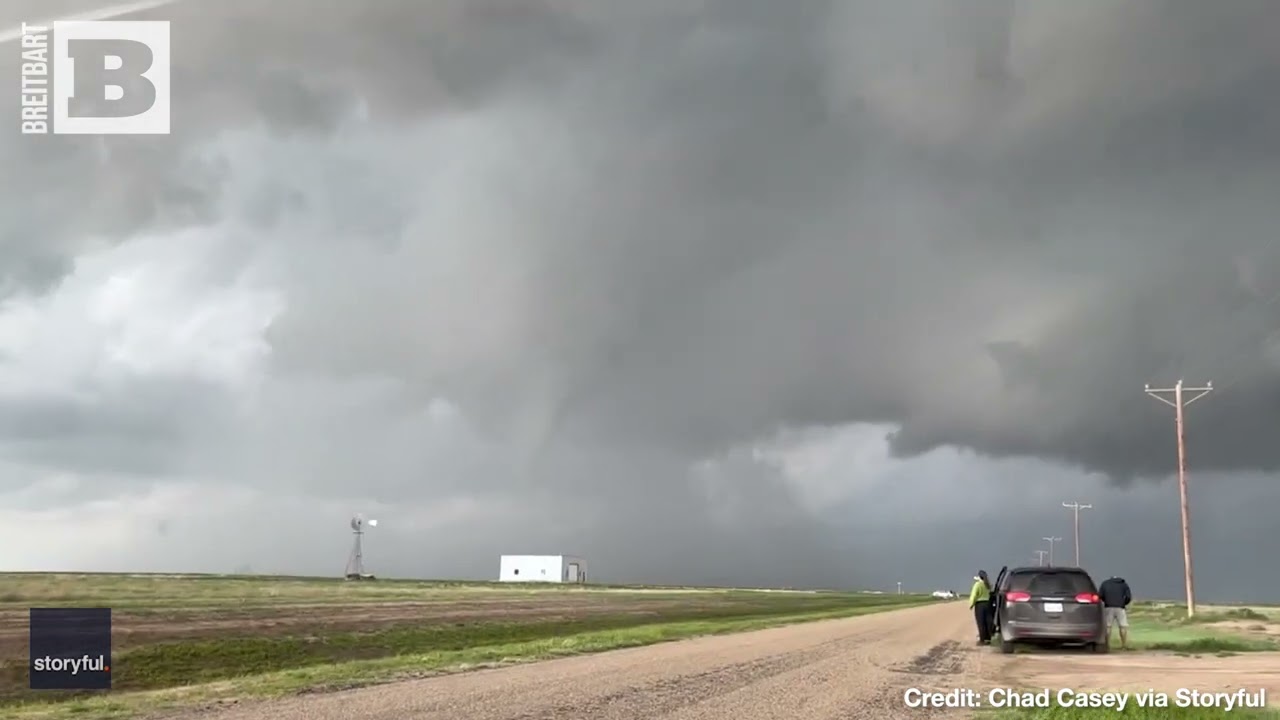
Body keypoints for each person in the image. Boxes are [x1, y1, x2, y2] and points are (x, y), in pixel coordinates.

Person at [1098, 575, 1132, 650]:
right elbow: (1128, 597)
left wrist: (1106, 601)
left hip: (1108, 607)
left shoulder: (1105, 583)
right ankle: (1123, 645)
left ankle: (1107, 645)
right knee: (1123, 626)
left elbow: (1100, 595)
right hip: (1120, 607)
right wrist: (1123, 603)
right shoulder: (1123, 584)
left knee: (1108, 626)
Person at [969, 570, 993, 646]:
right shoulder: (988, 585)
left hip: (980, 605)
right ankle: (988, 639)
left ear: (979, 577)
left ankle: (982, 640)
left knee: (981, 623)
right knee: (988, 622)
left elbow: (974, 595)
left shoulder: (978, 585)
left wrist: (971, 604)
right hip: (988, 604)